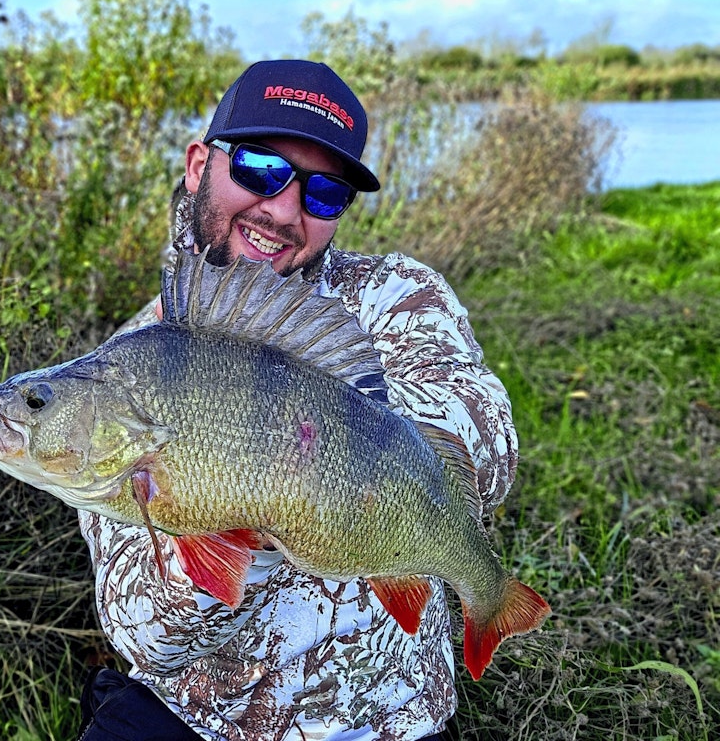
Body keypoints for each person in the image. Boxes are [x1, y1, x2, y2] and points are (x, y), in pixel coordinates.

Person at [77, 59, 517, 741]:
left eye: (324, 193)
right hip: (201, 719)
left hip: (387, 720)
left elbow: (487, 443)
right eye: (259, 166)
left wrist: (335, 450)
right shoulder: (135, 363)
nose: (283, 210)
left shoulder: (397, 294)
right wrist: (233, 511)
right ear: (200, 166)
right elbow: (145, 638)